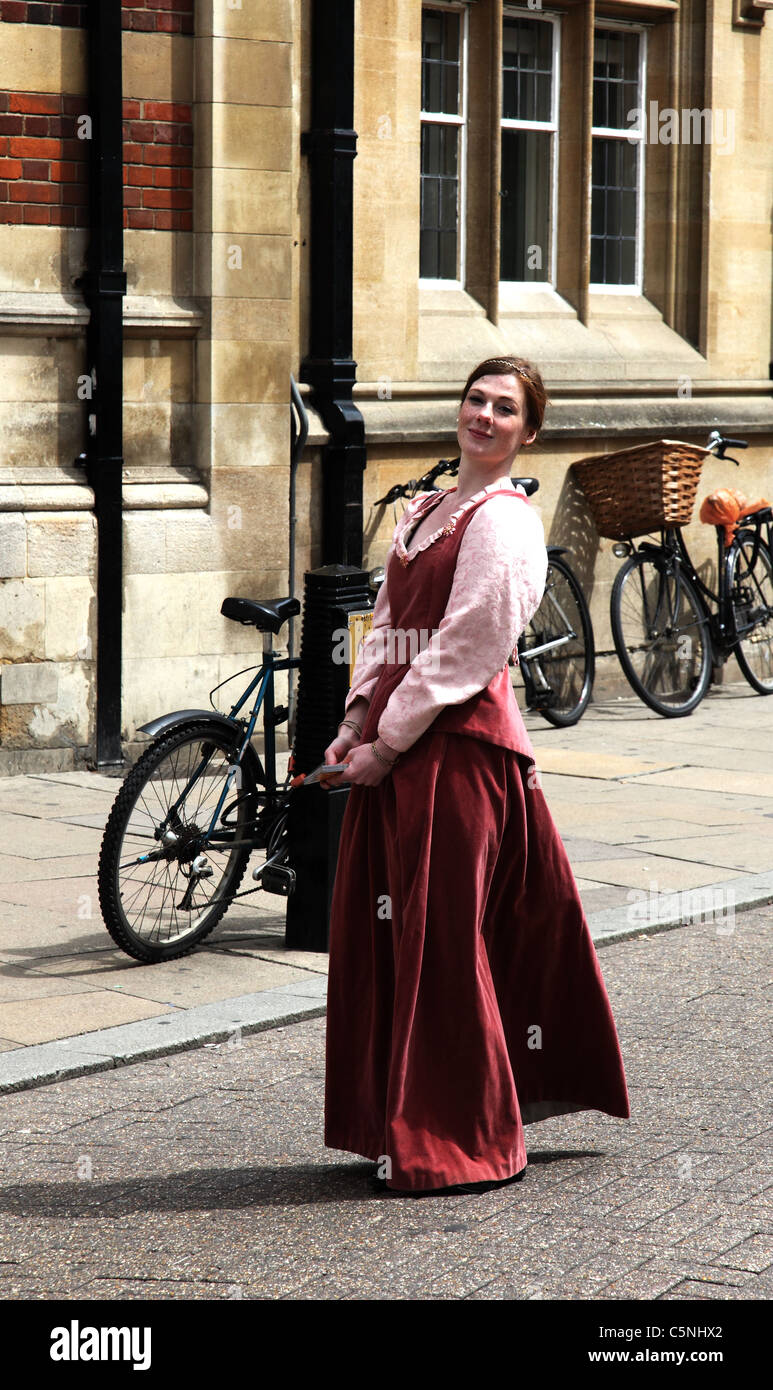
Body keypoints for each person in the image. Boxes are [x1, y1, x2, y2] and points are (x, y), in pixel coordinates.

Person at [322, 355, 630, 1195]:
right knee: (393, 940)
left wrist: (387, 739)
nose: (483, 415)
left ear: (526, 432)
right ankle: (396, 1123)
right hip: (395, 751)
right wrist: (353, 723)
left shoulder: (504, 521)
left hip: (458, 756)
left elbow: (471, 641)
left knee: (442, 945)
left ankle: (463, 1140)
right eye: (475, 399)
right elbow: (388, 627)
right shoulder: (423, 511)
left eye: (504, 408)